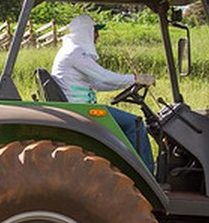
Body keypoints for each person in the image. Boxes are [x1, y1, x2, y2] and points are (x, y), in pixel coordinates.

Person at [51, 14, 156, 172]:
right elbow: (104, 76)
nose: (97, 35)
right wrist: (135, 78)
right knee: (135, 124)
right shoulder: (75, 53)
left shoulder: (74, 52)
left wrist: (130, 82)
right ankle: (146, 174)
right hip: (82, 110)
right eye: (95, 31)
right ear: (85, 31)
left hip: (80, 108)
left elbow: (98, 83)